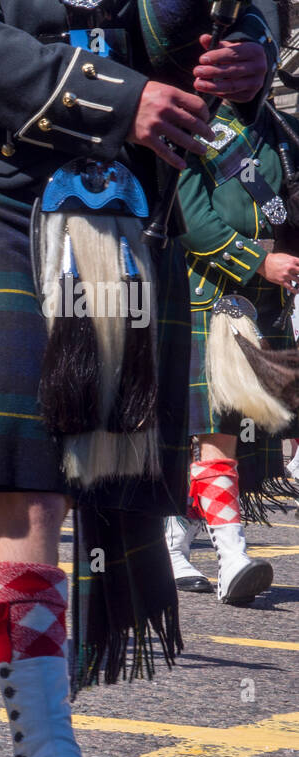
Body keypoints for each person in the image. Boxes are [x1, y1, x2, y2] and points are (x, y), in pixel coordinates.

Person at [0, 0, 273, 757]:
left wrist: (251, 48)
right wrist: (112, 95)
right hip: (0, 183)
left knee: (63, 479)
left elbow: (238, 13)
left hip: (128, 193)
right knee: (28, 478)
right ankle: (50, 754)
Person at [165, 96, 299, 603]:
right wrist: (257, 261)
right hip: (215, 291)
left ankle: (175, 544)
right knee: (218, 429)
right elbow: (193, 219)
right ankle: (232, 556)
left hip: (270, 298)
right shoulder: (194, 126)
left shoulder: (283, 129)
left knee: (243, 432)